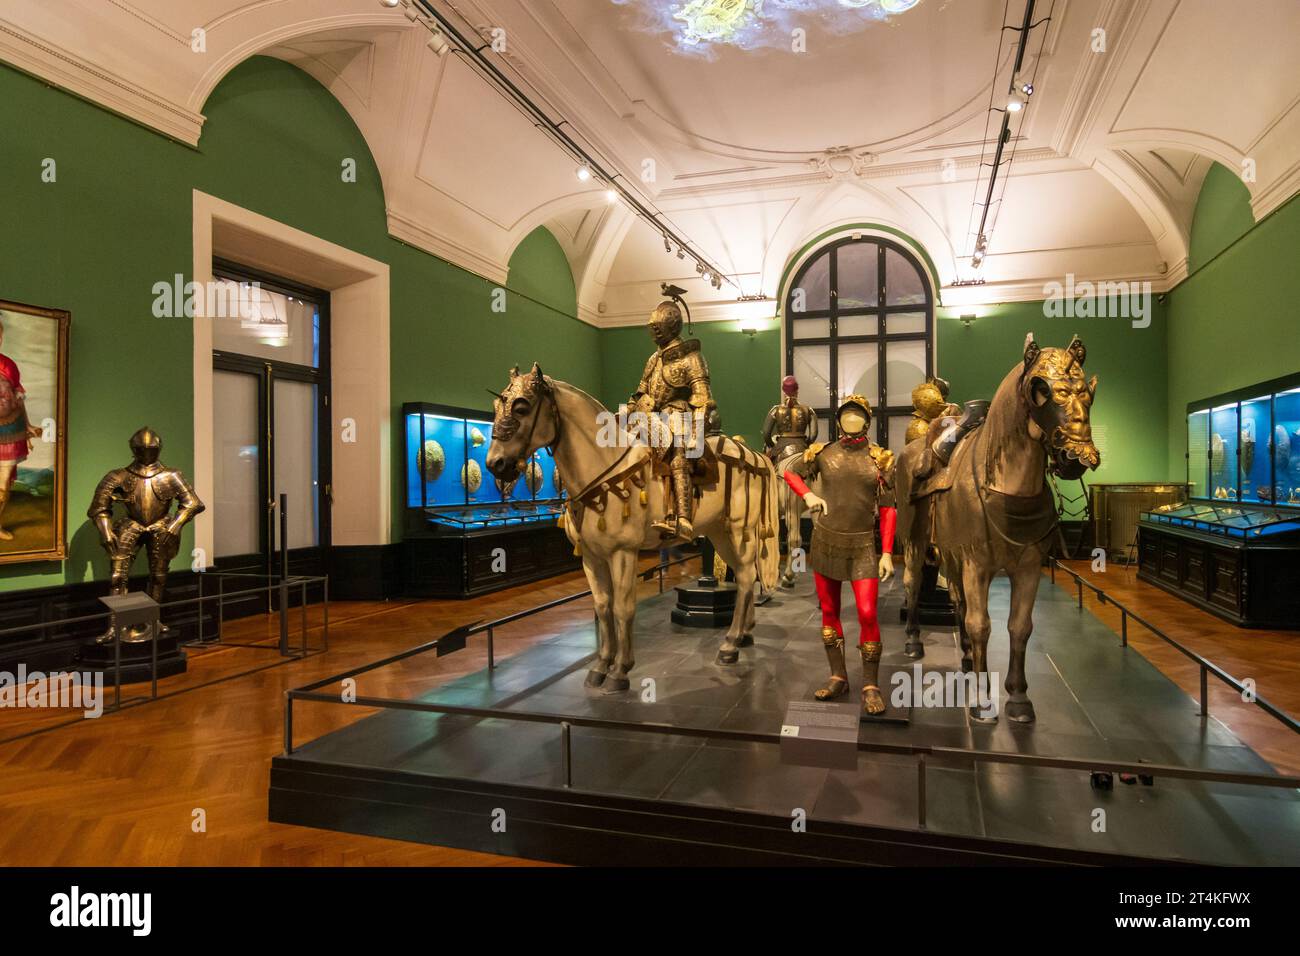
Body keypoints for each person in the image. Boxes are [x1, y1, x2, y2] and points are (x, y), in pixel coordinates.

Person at [783, 395, 897, 716]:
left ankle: (871, 685)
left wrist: (887, 552)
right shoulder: (822, 453)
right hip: (826, 542)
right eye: (846, 415)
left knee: (867, 612)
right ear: (837, 419)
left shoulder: (881, 459)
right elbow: (791, 474)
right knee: (829, 610)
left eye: (857, 415)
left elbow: (888, 508)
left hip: (862, 544)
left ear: (867, 420)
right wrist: (807, 494)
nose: (851, 420)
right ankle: (838, 676)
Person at [629, 297, 714, 540]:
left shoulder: (692, 358)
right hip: (649, 416)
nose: (653, 332)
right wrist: (629, 409)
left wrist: (696, 436)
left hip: (678, 415)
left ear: (671, 327)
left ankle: (684, 518)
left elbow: (702, 398)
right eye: (652, 328)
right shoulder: (653, 359)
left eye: (657, 328)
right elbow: (642, 390)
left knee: (678, 455)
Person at [0, 316, 45, 541]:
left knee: (3, 484)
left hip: (9, 432)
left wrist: (27, 425)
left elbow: (19, 398)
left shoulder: (9, 365)